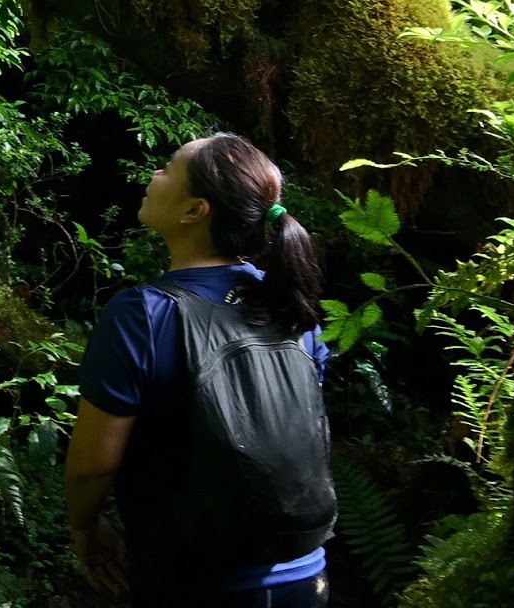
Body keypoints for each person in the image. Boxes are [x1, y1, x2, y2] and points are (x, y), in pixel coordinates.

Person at [64, 132, 333, 606]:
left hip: (193, 581)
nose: (153, 174)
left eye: (168, 167)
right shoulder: (289, 307)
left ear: (195, 210)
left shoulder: (143, 314)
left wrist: (85, 526)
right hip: (305, 574)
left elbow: (92, 467)